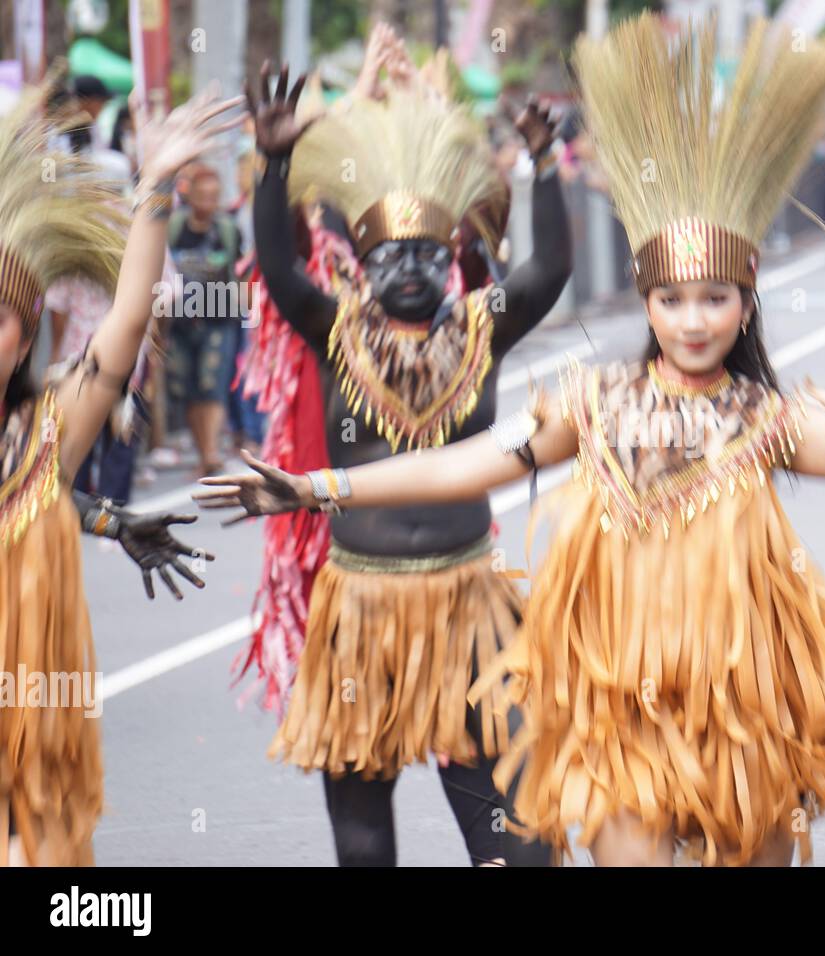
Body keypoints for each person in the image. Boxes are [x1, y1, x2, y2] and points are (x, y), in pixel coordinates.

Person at [199, 14, 825, 867]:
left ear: (743, 301)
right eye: (671, 298)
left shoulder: (767, 417)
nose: (693, 318)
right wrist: (318, 485)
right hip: (620, 707)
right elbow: (470, 461)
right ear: (651, 302)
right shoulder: (596, 398)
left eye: (713, 298)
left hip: (743, 708)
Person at [241, 60, 571, 867]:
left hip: (473, 610)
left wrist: (545, 167)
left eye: (428, 255)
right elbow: (281, 273)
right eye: (391, 258)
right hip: (361, 616)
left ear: (453, 262)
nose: (411, 271)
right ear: (360, 269)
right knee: (361, 840)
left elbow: (548, 271)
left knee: (518, 830)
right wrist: (276, 164)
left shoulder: (482, 331)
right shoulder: (333, 330)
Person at [1, 80, 243, 866]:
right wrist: (101, 515)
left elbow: (127, 321)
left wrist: (154, 186)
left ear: (27, 327)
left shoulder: (47, 430)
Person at [166, 162, 244, 477]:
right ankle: (203, 453)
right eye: (204, 195)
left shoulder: (227, 229)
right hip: (181, 321)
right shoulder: (175, 228)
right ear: (192, 196)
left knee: (213, 385)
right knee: (190, 389)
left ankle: (211, 451)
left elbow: (241, 271)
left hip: (219, 318)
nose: (209, 202)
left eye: (215, 195)